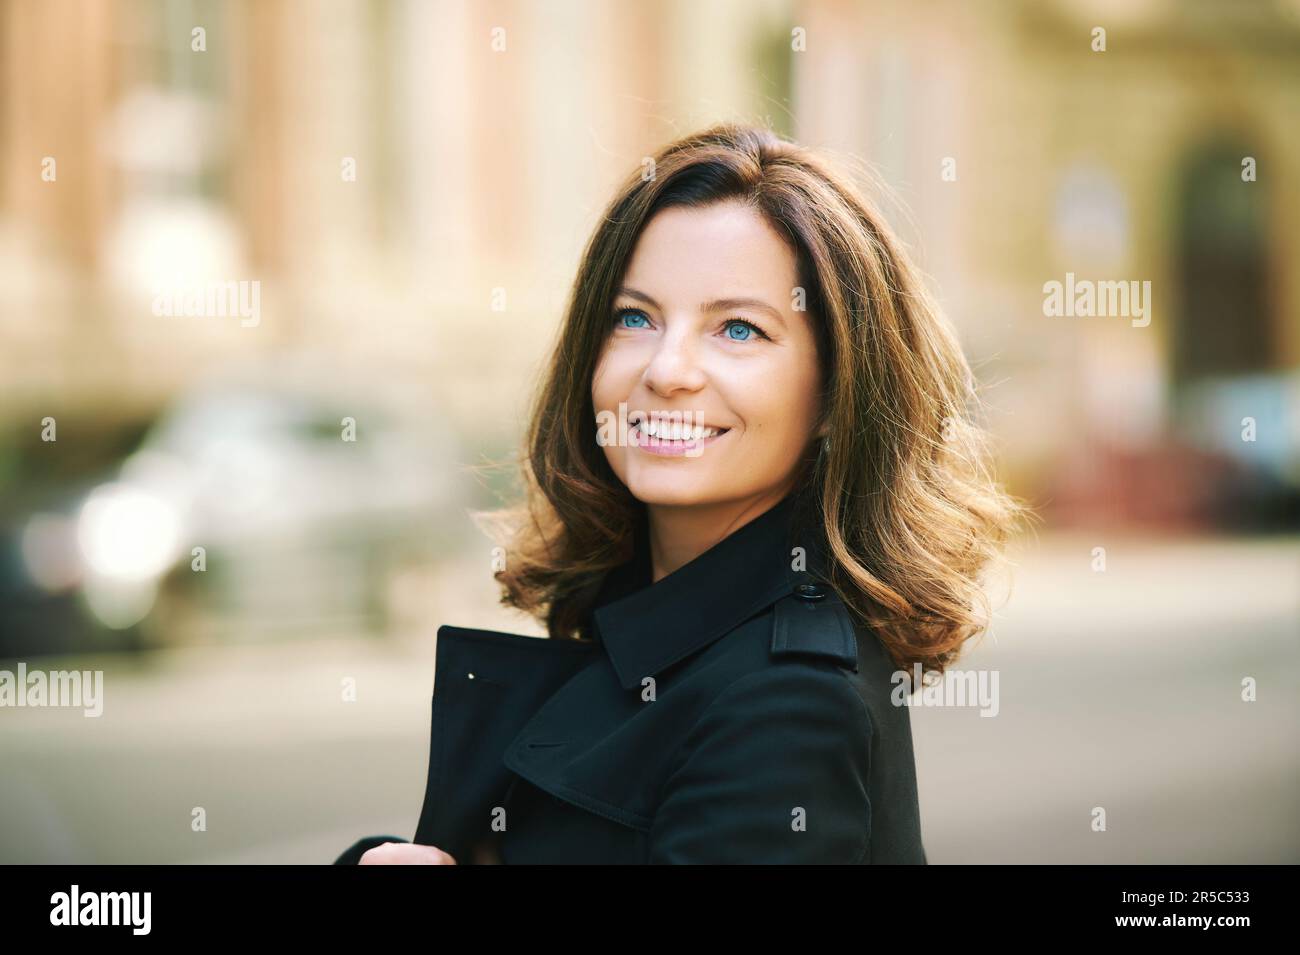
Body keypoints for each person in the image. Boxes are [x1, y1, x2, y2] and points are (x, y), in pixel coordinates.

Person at [336, 122, 1029, 865]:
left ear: (835, 391)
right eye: (634, 318)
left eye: (738, 328)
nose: (667, 370)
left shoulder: (786, 702)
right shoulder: (648, 625)